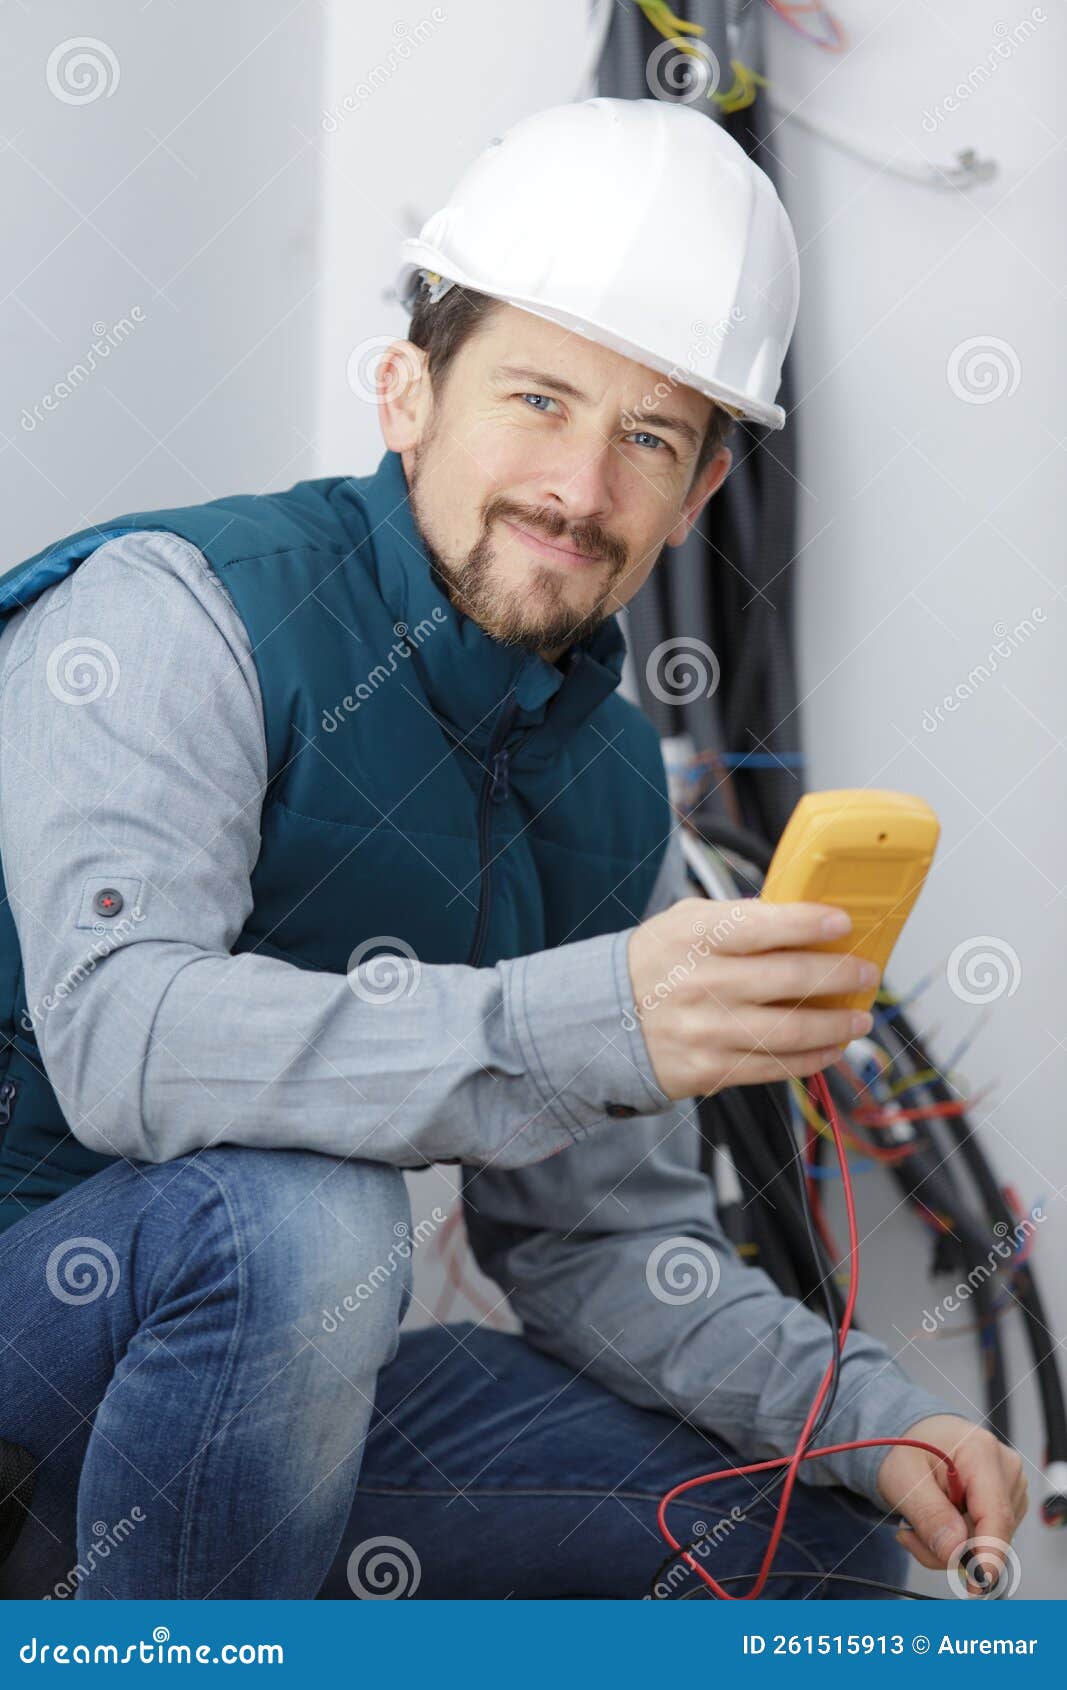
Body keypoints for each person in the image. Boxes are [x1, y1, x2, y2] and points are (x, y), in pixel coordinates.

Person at [0, 97, 1024, 1600]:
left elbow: (600, 1246)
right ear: (407, 391)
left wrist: (883, 1421)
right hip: (45, 1333)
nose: (581, 486)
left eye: (651, 435)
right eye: (538, 400)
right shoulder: (176, 613)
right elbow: (123, 1035)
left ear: (702, 494)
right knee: (300, 1218)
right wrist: (593, 1013)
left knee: (799, 1544)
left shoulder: (610, 787)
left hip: (226, 1418)